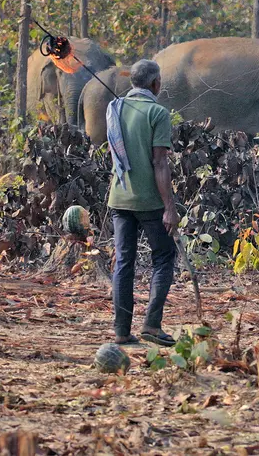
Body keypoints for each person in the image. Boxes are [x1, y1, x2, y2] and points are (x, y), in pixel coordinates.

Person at [106, 59, 180, 346]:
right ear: (155, 84)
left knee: (124, 261)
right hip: (148, 201)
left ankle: (122, 331)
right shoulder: (158, 113)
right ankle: (151, 325)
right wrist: (170, 208)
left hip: (119, 197)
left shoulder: (116, 107)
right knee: (164, 257)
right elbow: (159, 163)